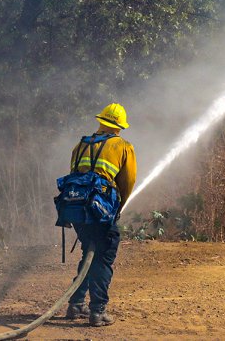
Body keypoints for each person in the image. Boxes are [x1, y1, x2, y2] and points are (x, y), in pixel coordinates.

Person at [65, 103, 137, 327]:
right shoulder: (123, 146)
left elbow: (73, 174)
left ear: (101, 121)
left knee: (89, 253)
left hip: (76, 209)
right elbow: (128, 182)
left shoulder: (80, 144)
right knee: (103, 257)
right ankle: (98, 311)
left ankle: (76, 304)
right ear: (119, 127)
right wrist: (118, 208)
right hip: (101, 211)